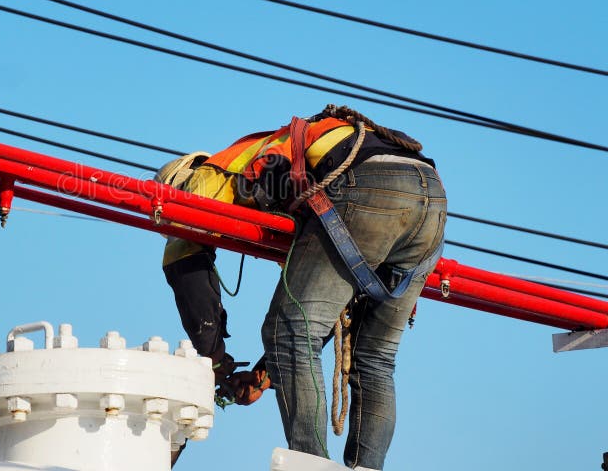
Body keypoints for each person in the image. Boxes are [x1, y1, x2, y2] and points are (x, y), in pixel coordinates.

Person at [156, 105, 447, 471]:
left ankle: (310, 465)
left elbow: (187, 269)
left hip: (370, 184)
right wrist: (263, 376)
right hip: (430, 197)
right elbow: (315, 316)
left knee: (287, 331)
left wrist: (211, 358)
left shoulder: (205, 176)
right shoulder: (279, 187)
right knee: (374, 358)